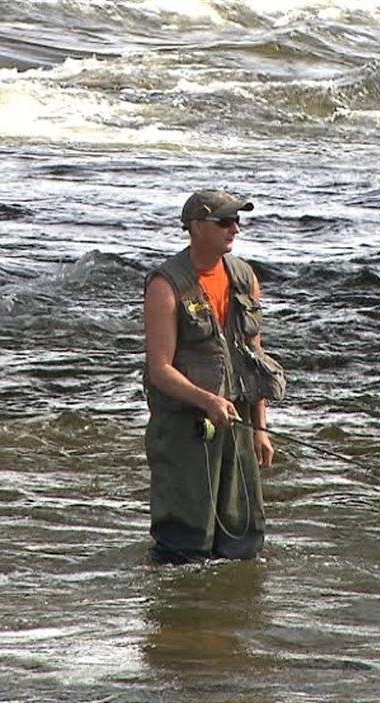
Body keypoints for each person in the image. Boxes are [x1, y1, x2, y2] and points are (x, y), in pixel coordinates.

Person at [143, 189, 286, 564]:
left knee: (242, 538)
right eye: (224, 221)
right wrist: (207, 401)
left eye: (237, 221)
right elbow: (160, 370)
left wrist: (260, 429)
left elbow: (255, 359)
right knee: (184, 543)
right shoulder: (165, 285)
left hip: (234, 421)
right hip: (183, 428)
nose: (235, 229)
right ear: (196, 227)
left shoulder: (244, 277)